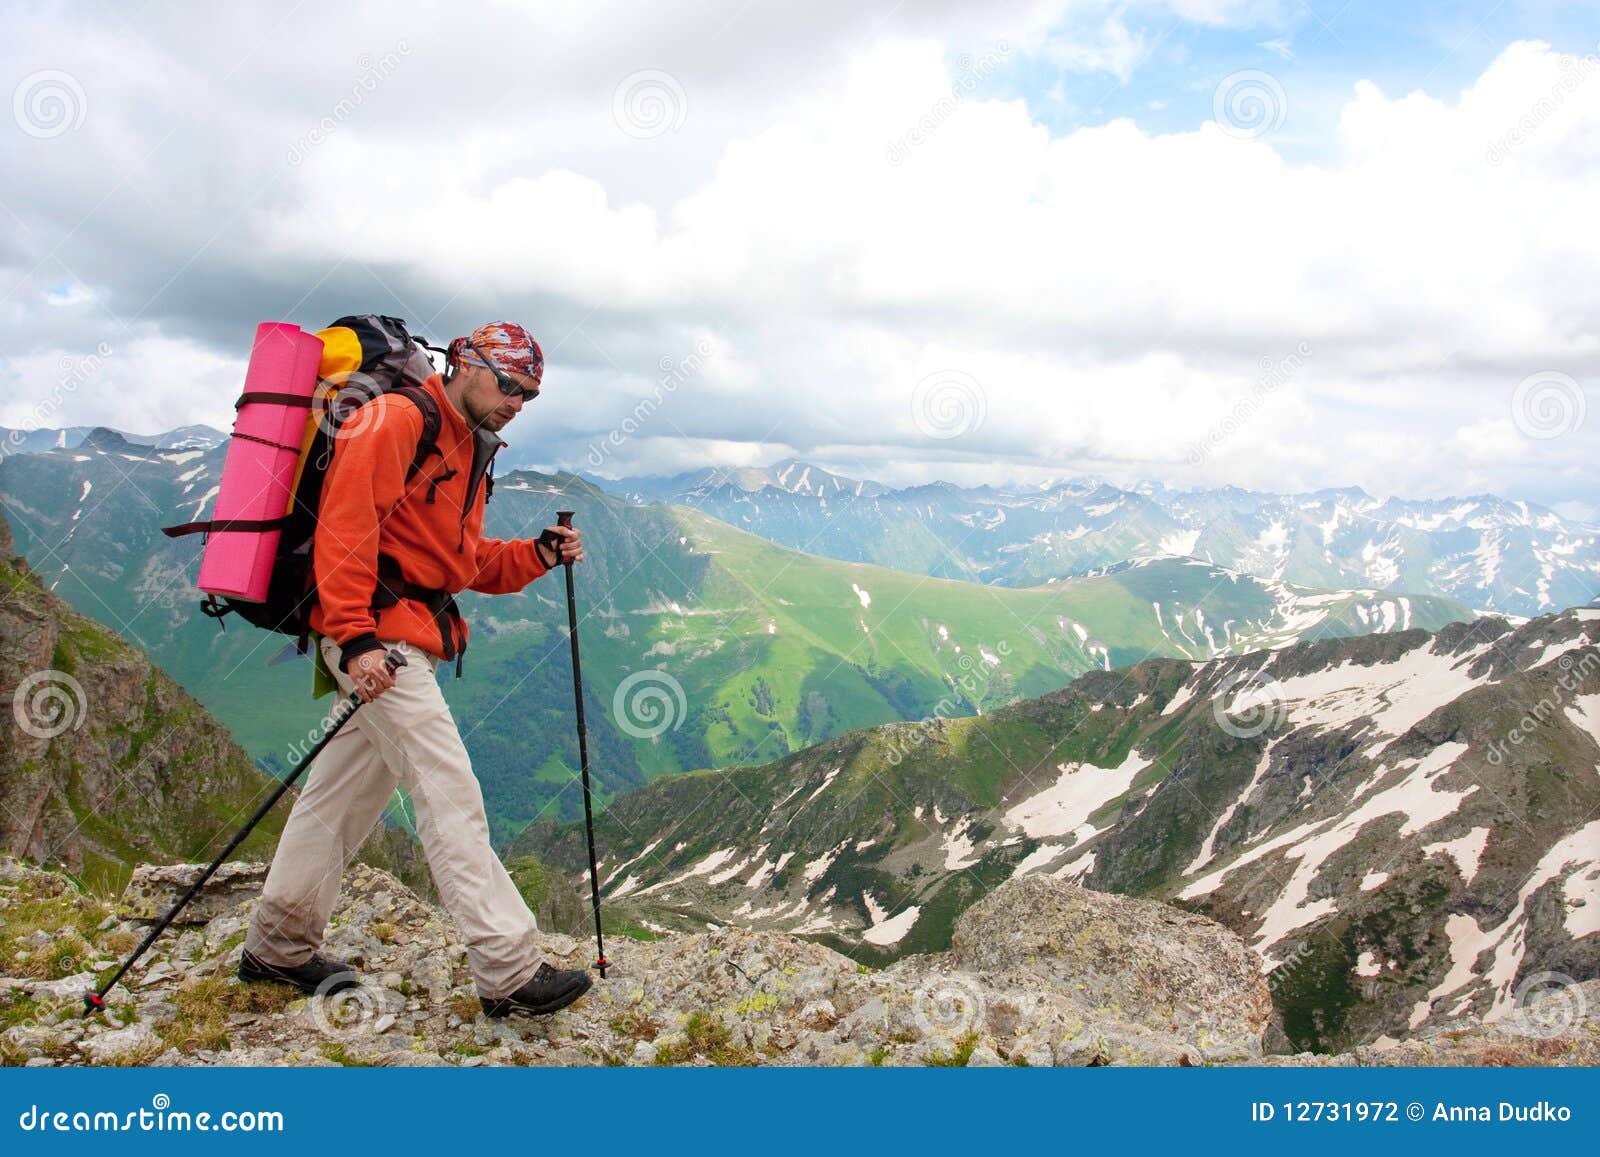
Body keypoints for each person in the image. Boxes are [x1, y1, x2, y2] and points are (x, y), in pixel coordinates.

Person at [239, 321, 593, 1018]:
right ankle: (509, 967)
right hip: (378, 644)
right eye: (510, 383)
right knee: (447, 787)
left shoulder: (469, 446)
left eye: (530, 394)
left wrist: (538, 554)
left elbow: (461, 564)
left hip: (403, 638)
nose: (518, 401)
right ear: (464, 364)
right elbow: (343, 530)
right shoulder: (397, 420)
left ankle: (277, 946)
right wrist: (357, 639)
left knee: (337, 800)